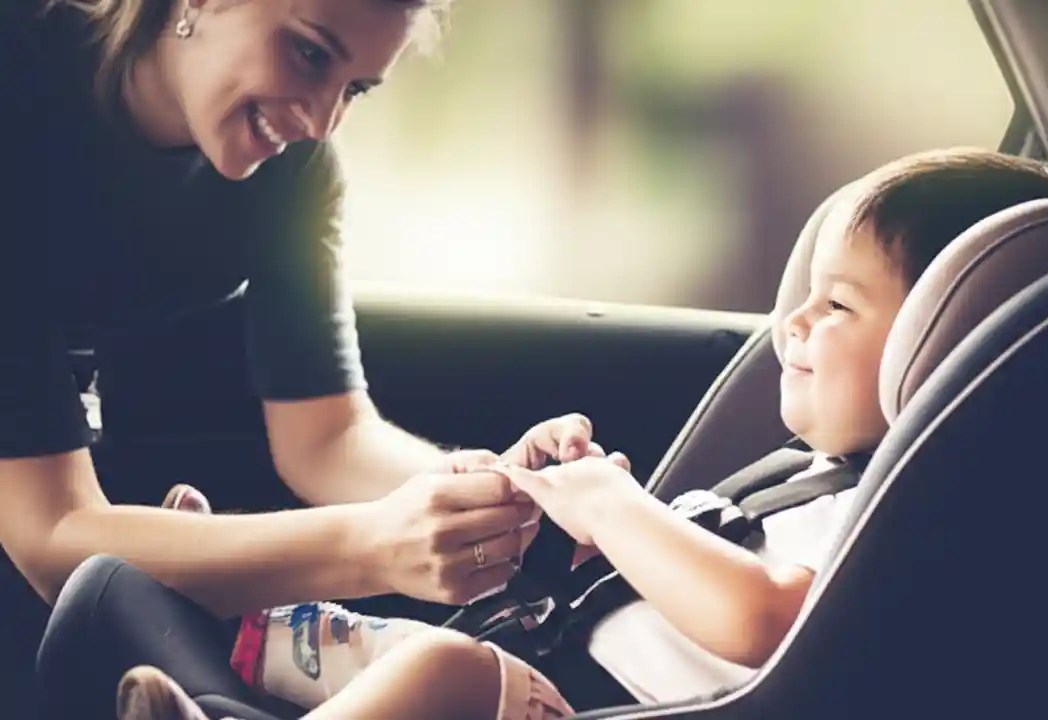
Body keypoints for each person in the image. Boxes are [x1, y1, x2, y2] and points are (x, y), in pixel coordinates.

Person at [109, 148, 1048, 719]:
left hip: (598, 707)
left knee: (440, 670)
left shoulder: (897, 518)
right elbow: (691, 587)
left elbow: (762, 620)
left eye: (836, 305)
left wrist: (618, 507)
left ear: (943, 343)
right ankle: (223, 635)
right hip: (555, 668)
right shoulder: (808, 474)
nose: (791, 322)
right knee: (351, 635)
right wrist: (576, 518)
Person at [0, 0, 610, 713]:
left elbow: (326, 437)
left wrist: (492, 494)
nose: (321, 122)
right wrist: (371, 546)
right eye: (311, 55)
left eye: (355, 88)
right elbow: (52, 536)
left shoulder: (294, 171)